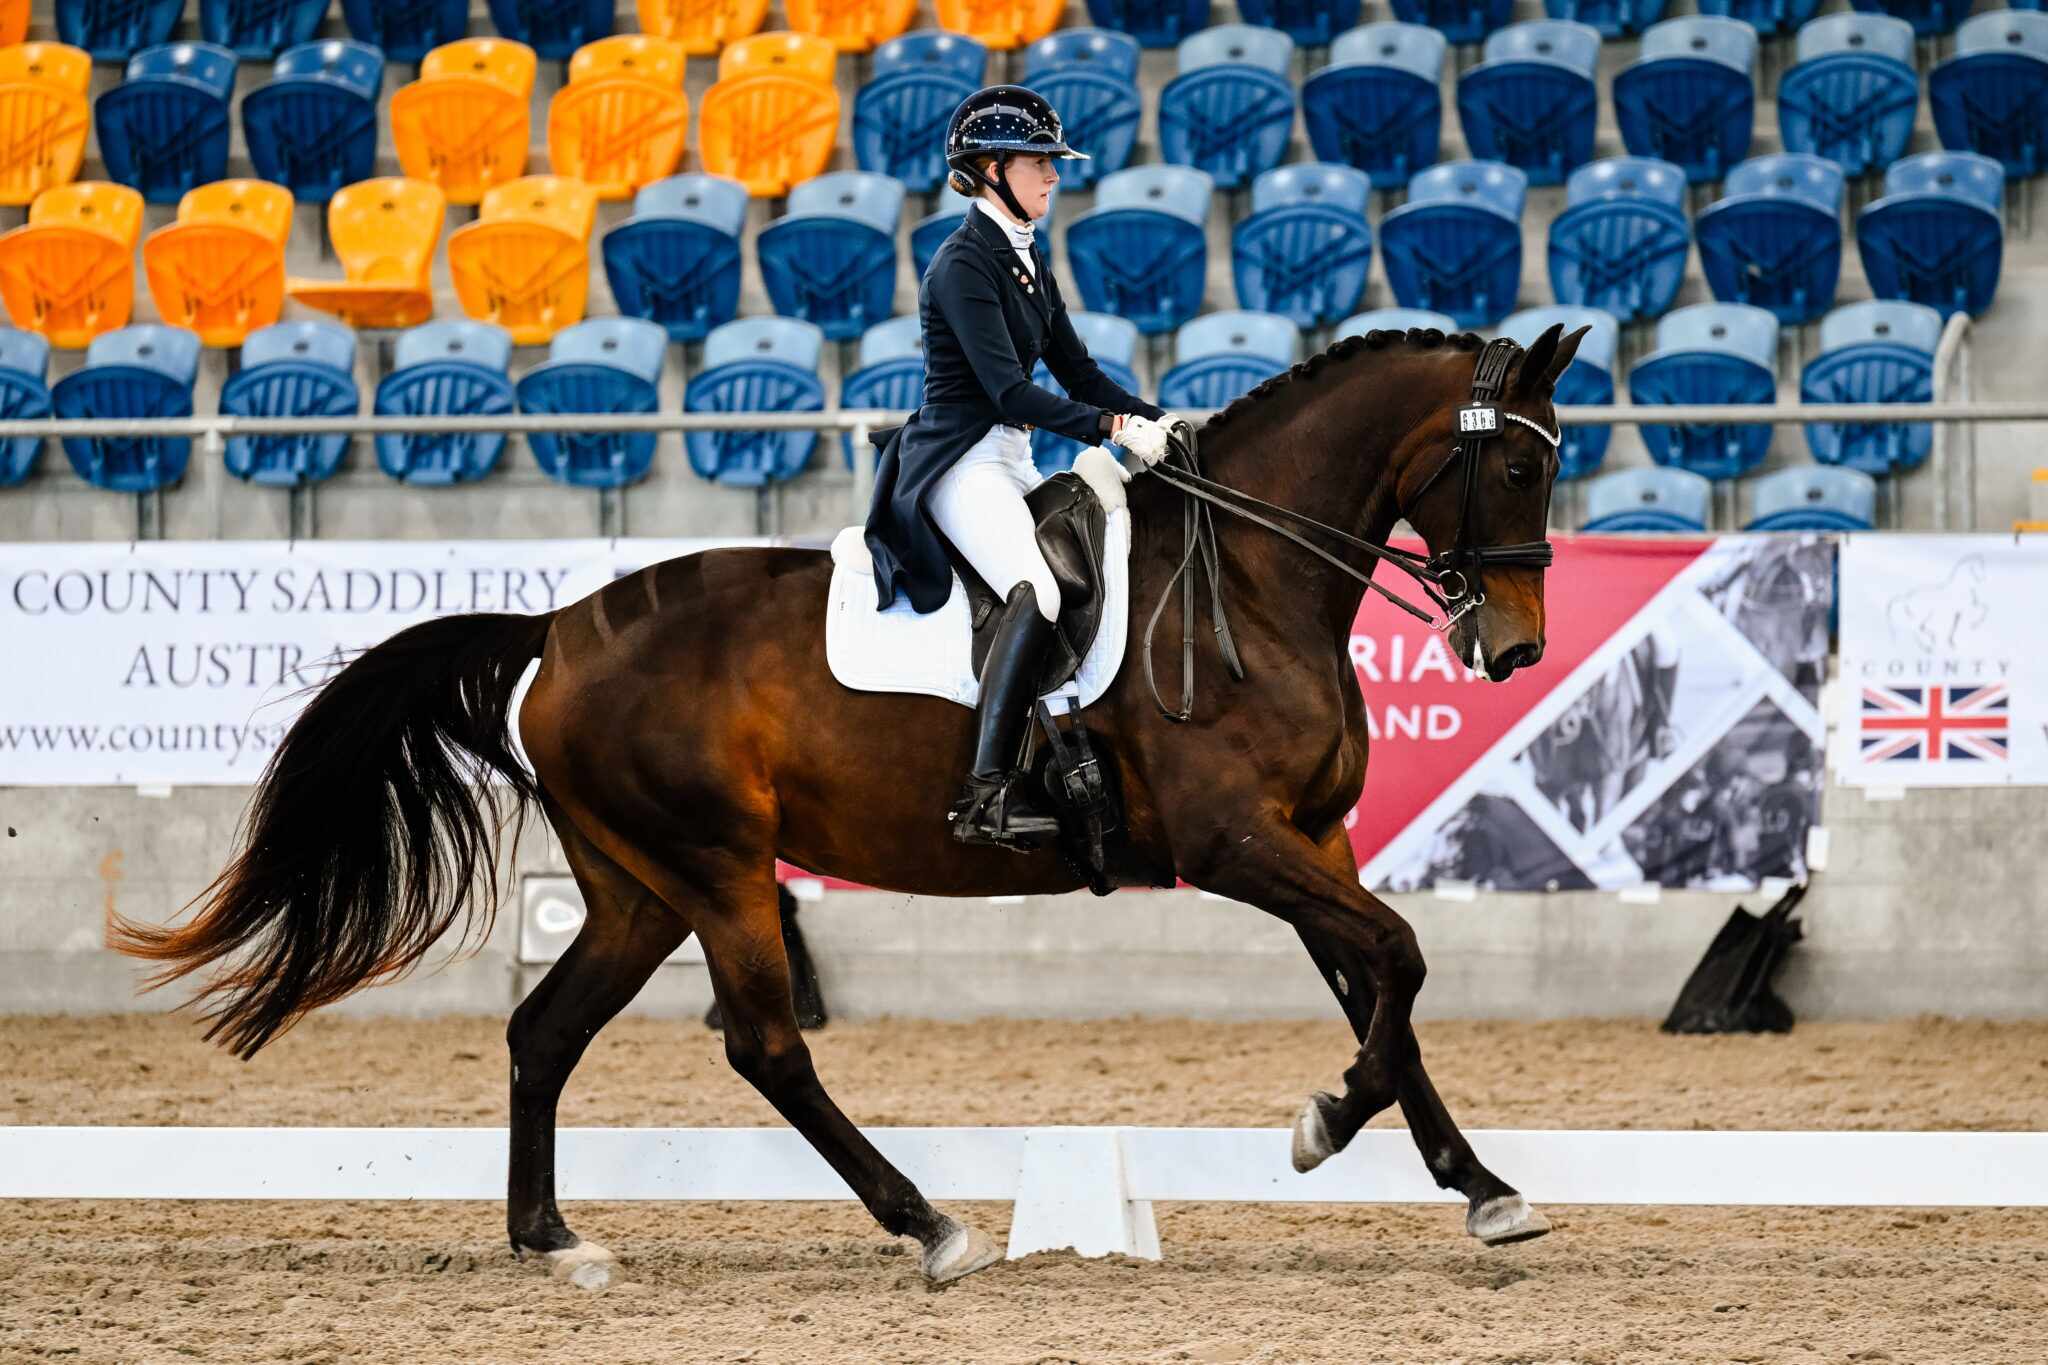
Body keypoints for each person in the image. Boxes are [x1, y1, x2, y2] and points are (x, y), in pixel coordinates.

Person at [862, 86, 1181, 850]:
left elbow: (1076, 370)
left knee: (1100, 564)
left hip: (1013, 455)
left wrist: (1153, 417)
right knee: (1034, 589)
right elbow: (1009, 389)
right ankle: (986, 793)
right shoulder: (962, 266)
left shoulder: (1027, 253)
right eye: (1042, 163)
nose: (1054, 177)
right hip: (960, 461)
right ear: (991, 168)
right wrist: (1110, 429)